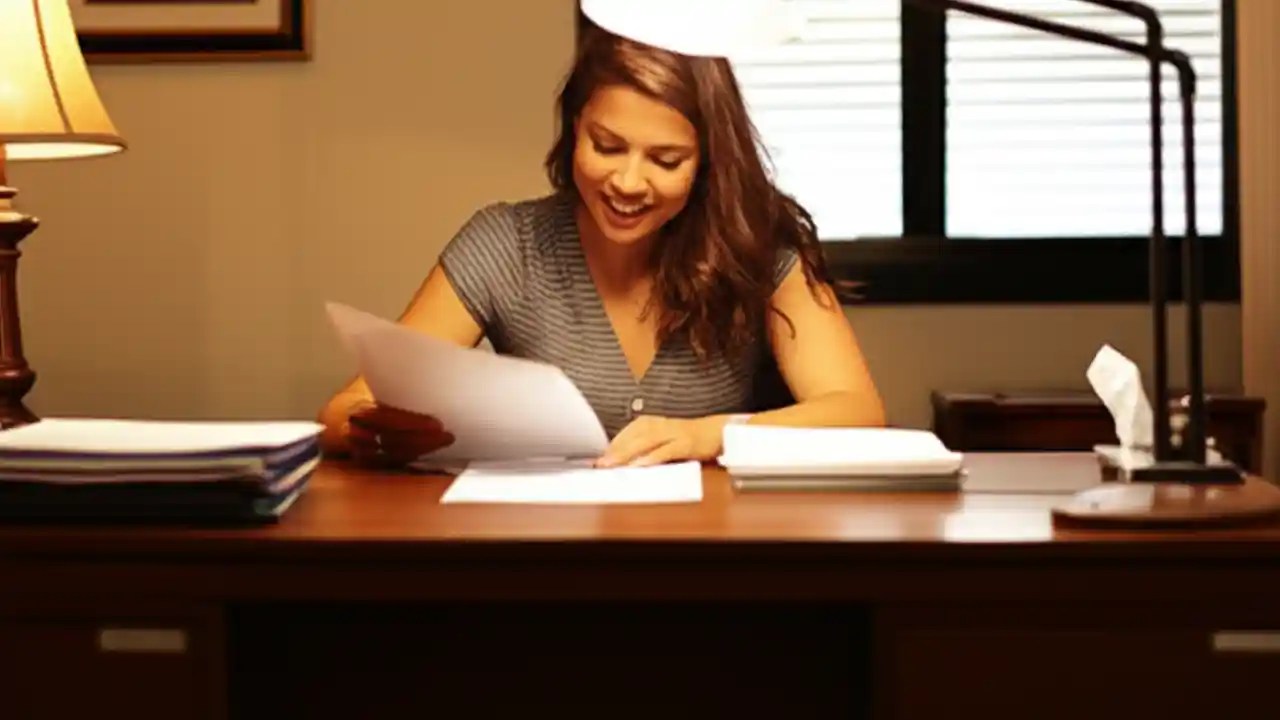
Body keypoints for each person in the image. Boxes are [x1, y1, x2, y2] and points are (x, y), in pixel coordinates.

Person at [318, 20, 886, 469]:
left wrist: (708, 435)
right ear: (573, 132)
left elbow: (858, 413)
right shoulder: (507, 244)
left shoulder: (758, 250)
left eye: (666, 161)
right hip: (546, 560)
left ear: (708, 163)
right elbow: (344, 410)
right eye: (607, 146)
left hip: (717, 557)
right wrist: (375, 430)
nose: (628, 183)